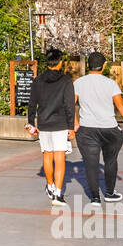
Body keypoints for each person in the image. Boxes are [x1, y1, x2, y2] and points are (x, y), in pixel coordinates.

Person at [74, 51, 123, 207]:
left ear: (88, 65)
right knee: (110, 161)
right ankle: (110, 193)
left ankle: (95, 197)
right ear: (103, 66)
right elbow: (121, 105)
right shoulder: (110, 83)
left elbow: (70, 104)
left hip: (87, 129)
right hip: (109, 129)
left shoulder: (78, 83)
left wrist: (75, 123)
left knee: (91, 163)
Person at [26, 49, 75, 207]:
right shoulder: (66, 81)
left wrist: (30, 122)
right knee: (59, 157)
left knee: (47, 155)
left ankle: (50, 186)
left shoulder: (38, 80)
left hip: (44, 124)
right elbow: (69, 106)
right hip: (60, 124)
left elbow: (32, 103)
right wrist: (71, 127)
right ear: (60, 62)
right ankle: (58, 194)